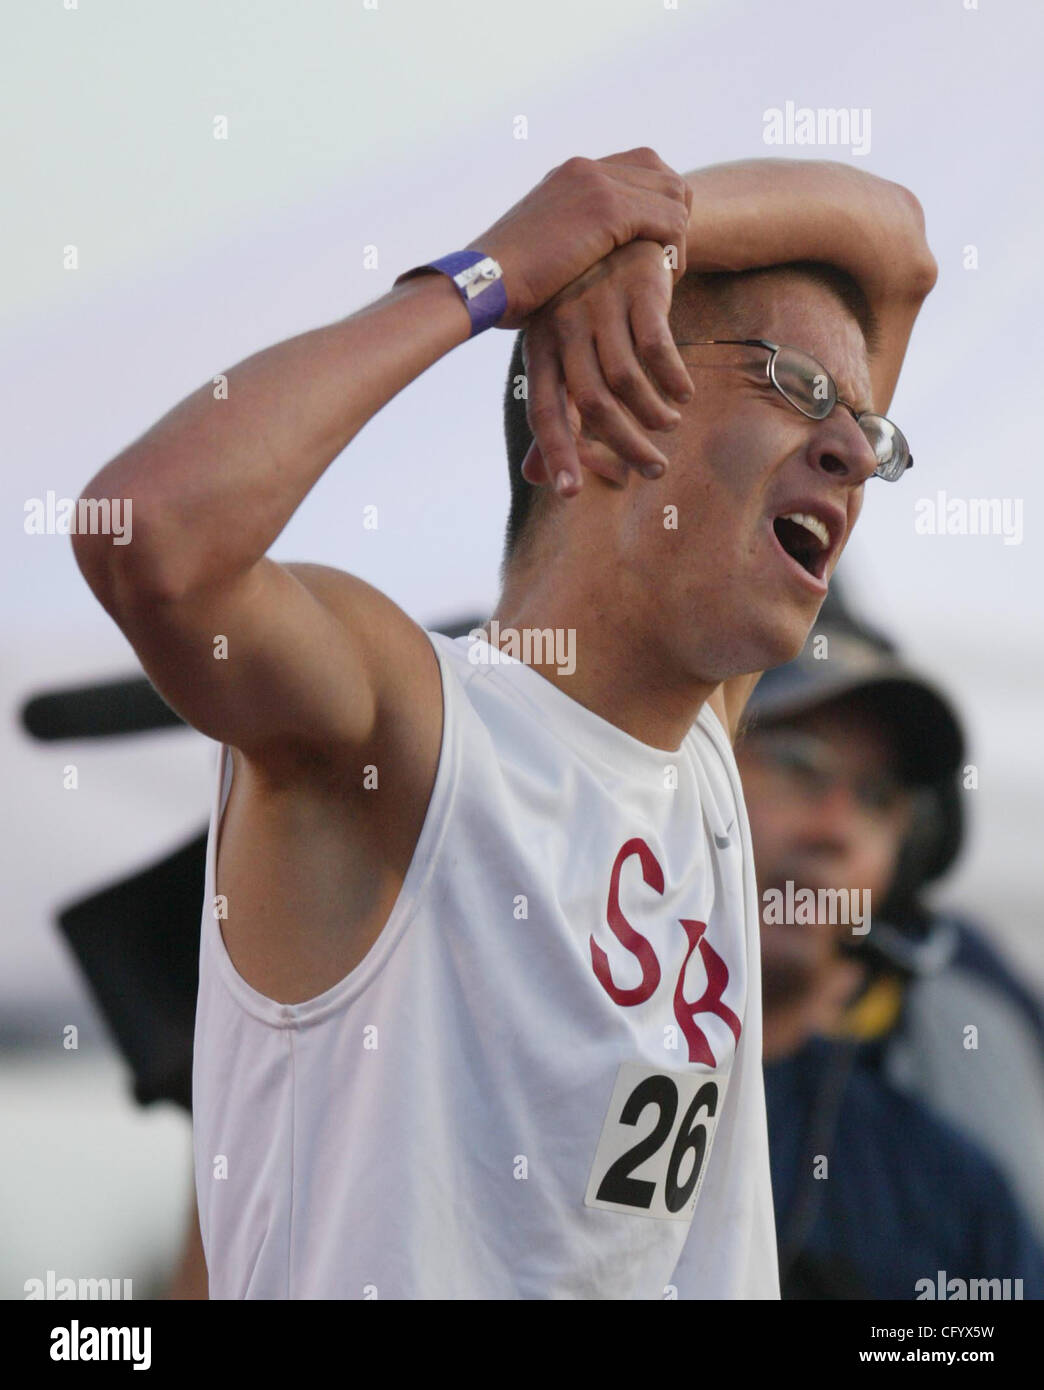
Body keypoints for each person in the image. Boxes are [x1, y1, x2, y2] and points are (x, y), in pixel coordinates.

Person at [72, 149, 937, 1299]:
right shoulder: (415, 725)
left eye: (867, 428)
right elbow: (149, 535)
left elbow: (901, 248)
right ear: (590, 415)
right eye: (793, 385)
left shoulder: (695, 757)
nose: (849, 450)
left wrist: (646, 231)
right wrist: (491, 279)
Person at [736, 601, 1044, 1296]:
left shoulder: (958, 1207)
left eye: (876, 797)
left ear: (902, 872)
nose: (835, 829)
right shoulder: (517, 1072)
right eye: (796, 763)